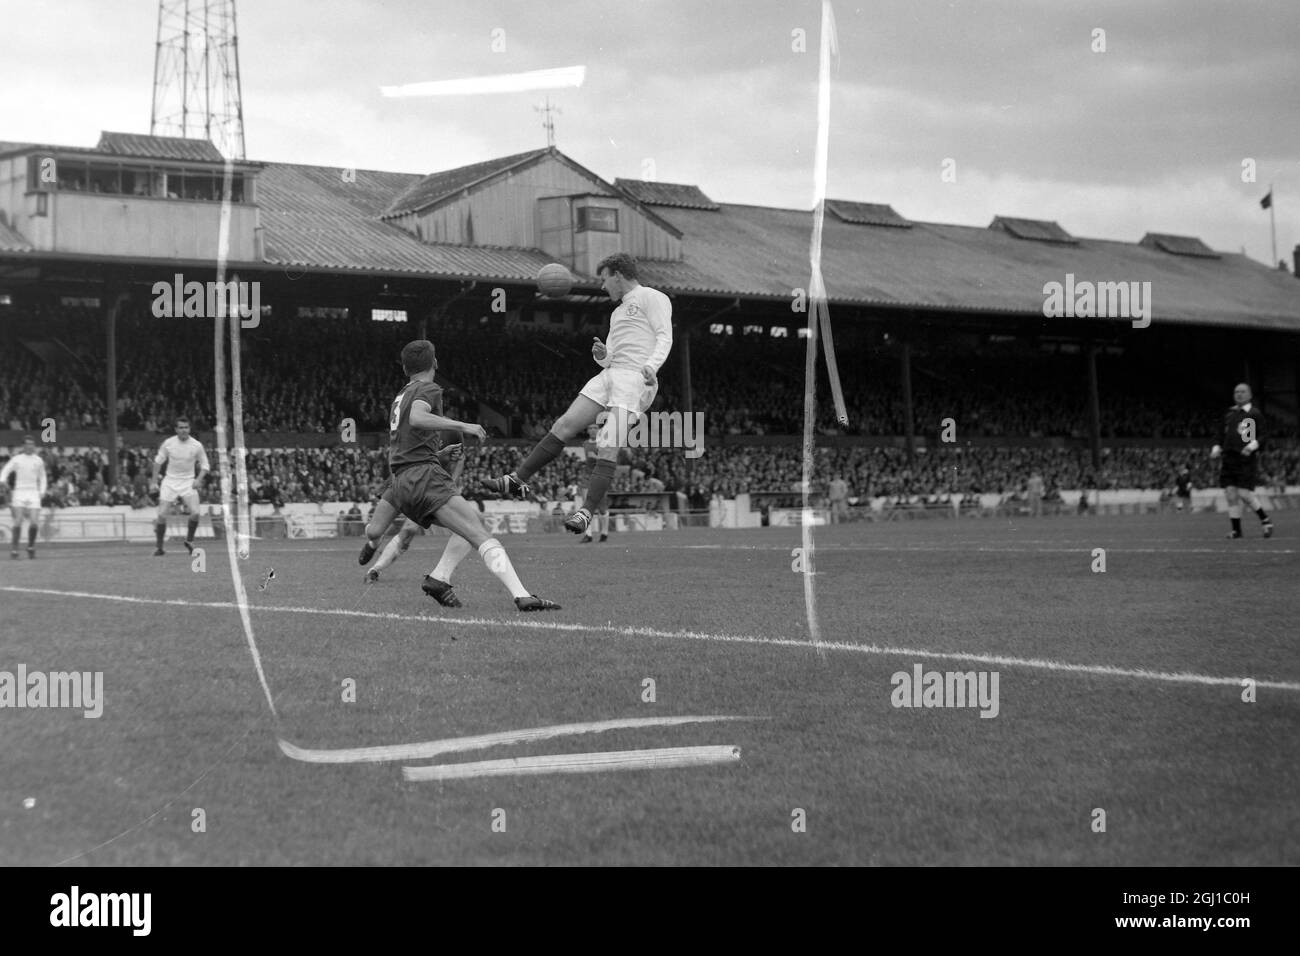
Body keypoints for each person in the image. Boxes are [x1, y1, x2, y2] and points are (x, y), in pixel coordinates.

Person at [357, 340, 559, 611]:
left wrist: (438, 455)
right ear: (435, 363)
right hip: (421, 476)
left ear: (405, 368)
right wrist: (465, 425)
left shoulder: (401, 394)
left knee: (386, 529)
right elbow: (418, 418)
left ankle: (437, 578)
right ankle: (522, 595)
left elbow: (408, 439)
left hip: (400, 479)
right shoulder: (428, 387)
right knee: (477, 530)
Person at [481, 252, 672, 537]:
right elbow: (611, 358)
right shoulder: (618, 312)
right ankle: (516, 480)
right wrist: (602, 356)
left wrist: (651, 366)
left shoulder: (652, 297)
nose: (602, 285)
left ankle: (586, 512)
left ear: (618, 275)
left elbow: (664, 335)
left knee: (607, 443)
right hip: (611, 374)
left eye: (604, 278)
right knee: (563, 425)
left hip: (635, 378)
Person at [1212, 383, 1273, 539]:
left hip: (1245, 459)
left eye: (1242, 391)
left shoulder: (1253, 414)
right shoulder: (1229, 414)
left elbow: (1262, 435)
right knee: (1230, 494)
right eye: (1236, 392)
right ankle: (1236, 530)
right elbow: (1220, 434)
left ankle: (1265, 520)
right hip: (1228, 458)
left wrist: (1251, 446)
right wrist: (1217, 446)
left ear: (1250, 395)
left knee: (1244, 494)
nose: (1239, 394)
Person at [151, 417, 210, 555]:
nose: (184, 430)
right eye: (181, 427)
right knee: (161, 515)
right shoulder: (168, 443)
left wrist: (198, 479)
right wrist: (154, 482)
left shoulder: (196, 445)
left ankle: (189, 541)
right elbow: (157, 462)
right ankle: (159, 548)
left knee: (195, 513)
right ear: (176, 429)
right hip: (170, 482)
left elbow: (205, 465)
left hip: (188, 482)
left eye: (186, 427)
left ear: (189, 429)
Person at [2, 437, 48, 559]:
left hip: (33, 493)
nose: (30, 446)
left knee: (34, 522)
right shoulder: (17, 459)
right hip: (20, 492)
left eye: (32, 444)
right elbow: (5, 470)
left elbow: (43, 477)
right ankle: (15, 549)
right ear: (23, 446)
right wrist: (2, 480)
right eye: (28, 444)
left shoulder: (38, 460)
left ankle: (31, 546)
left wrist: (42, 491)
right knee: (18, 521)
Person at [579, 423, 609, 543]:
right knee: (586, 506)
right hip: (587, 478)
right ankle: (588, 535)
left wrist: (595, 457)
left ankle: (604, 533)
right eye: (590, 428)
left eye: (595, 428)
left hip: (600, 478)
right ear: (587, 430)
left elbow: (608, 460)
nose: (592, 430)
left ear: (599, 430)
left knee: (602, 508)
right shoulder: (585, 444)